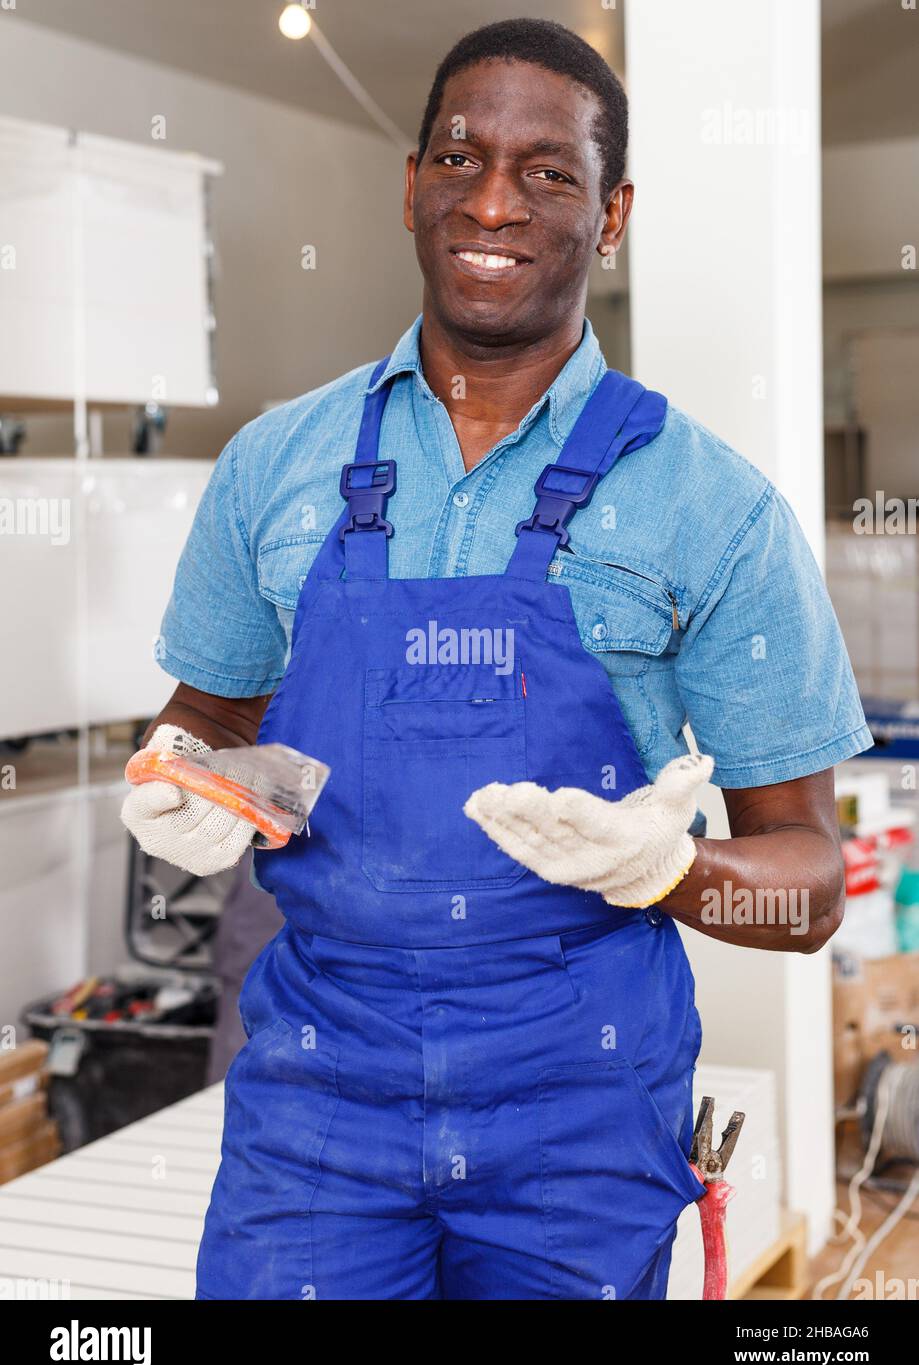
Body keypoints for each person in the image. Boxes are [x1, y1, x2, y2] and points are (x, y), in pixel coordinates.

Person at [122, 19, 871, 1300]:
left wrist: (671, 869)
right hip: (319, 1103)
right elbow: (201, 715)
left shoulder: (711, 506)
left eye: (548, 172)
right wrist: (180, 779)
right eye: (461, 158)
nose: (492, 202)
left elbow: (805, 888)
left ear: (612, 211)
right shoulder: (275, 466)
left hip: (580, 1112)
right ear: (409, 181)